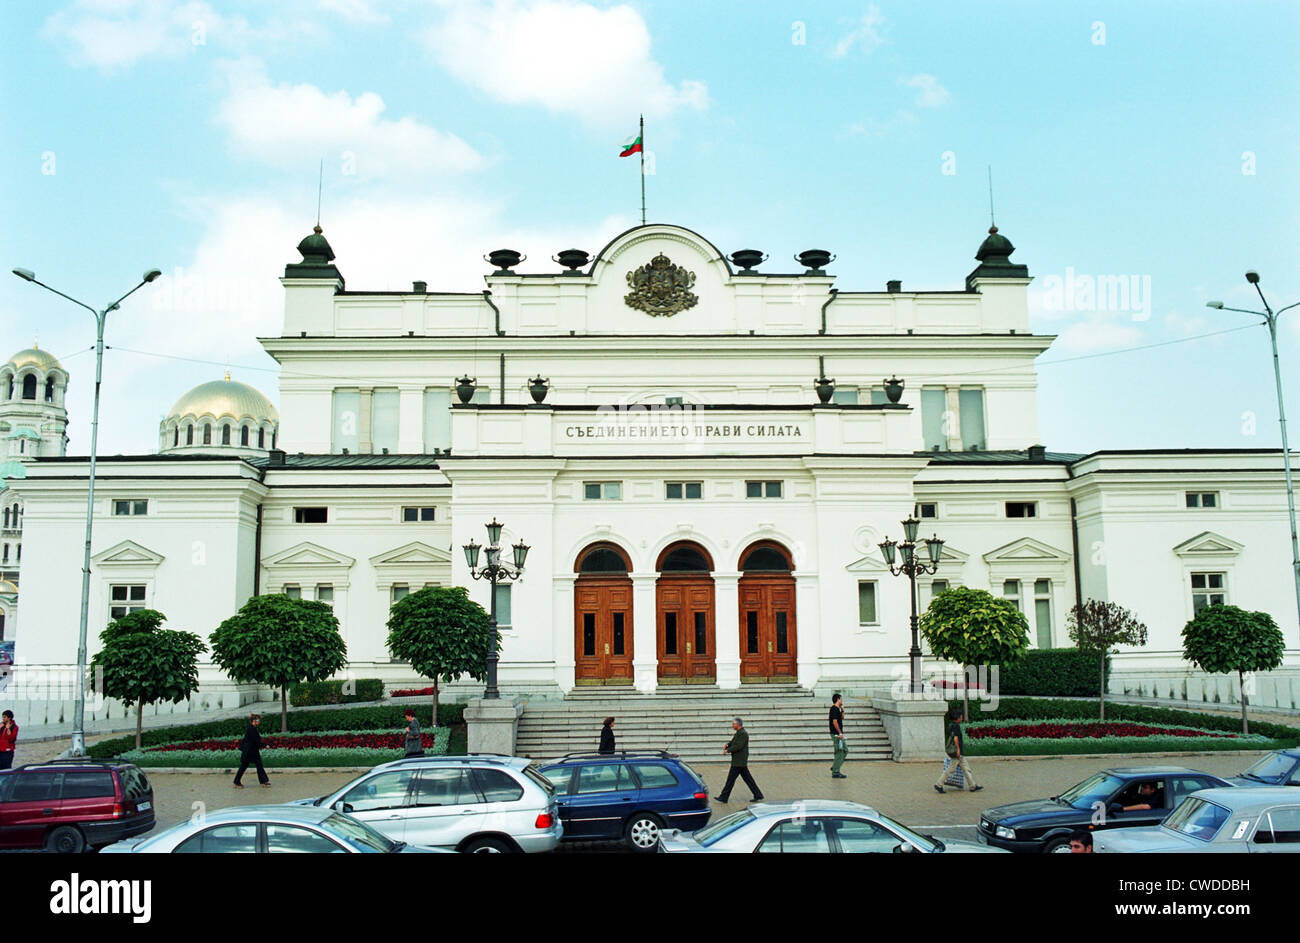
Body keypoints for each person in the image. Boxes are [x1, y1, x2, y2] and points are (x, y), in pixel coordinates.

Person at [934, 708, 982, 794]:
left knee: (966, 768)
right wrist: (958, 750)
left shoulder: (950, 725)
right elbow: (956, 739)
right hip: (957, 752)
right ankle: (939, 784)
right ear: (958, 717)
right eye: (961, 716)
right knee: (951, 769)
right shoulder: (956, 726)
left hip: (956, 752)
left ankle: (972, 785)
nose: (962, 718)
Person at [716, 717, 763, 803]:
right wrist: (728, 745)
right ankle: (758, 794)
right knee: (748, 779)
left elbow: (738, 746)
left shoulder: (743, 734)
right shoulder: (739, 733)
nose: (732, 726)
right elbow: (733, 742)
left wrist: (728, 750)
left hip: (739, 761)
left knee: (730, 780)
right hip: (739, 761)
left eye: (733, 724)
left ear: (738, 724)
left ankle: (724, 797)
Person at [233, 713, 269, 788]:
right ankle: (236, 782)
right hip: (249, 751)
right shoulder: (251, 729)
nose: (259, 722)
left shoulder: (252, 728)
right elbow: (256, 740)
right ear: (254, 721)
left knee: (259, 765)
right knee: (244, 766)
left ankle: (263, 781)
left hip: (253, 751)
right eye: (258, 720)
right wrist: (264, 745)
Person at [829, 693, 848, 779]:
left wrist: (843, 710)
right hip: (836, 734)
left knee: (845, 750)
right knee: (839, 752)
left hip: (839, 734)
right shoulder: (833, 709)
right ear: (837, 699)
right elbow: (834, 722)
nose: (841, 700)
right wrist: (840, 733)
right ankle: (835, 772)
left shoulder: (838, 709)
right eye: (841, 699)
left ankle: (835, 766)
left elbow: (842, 718)